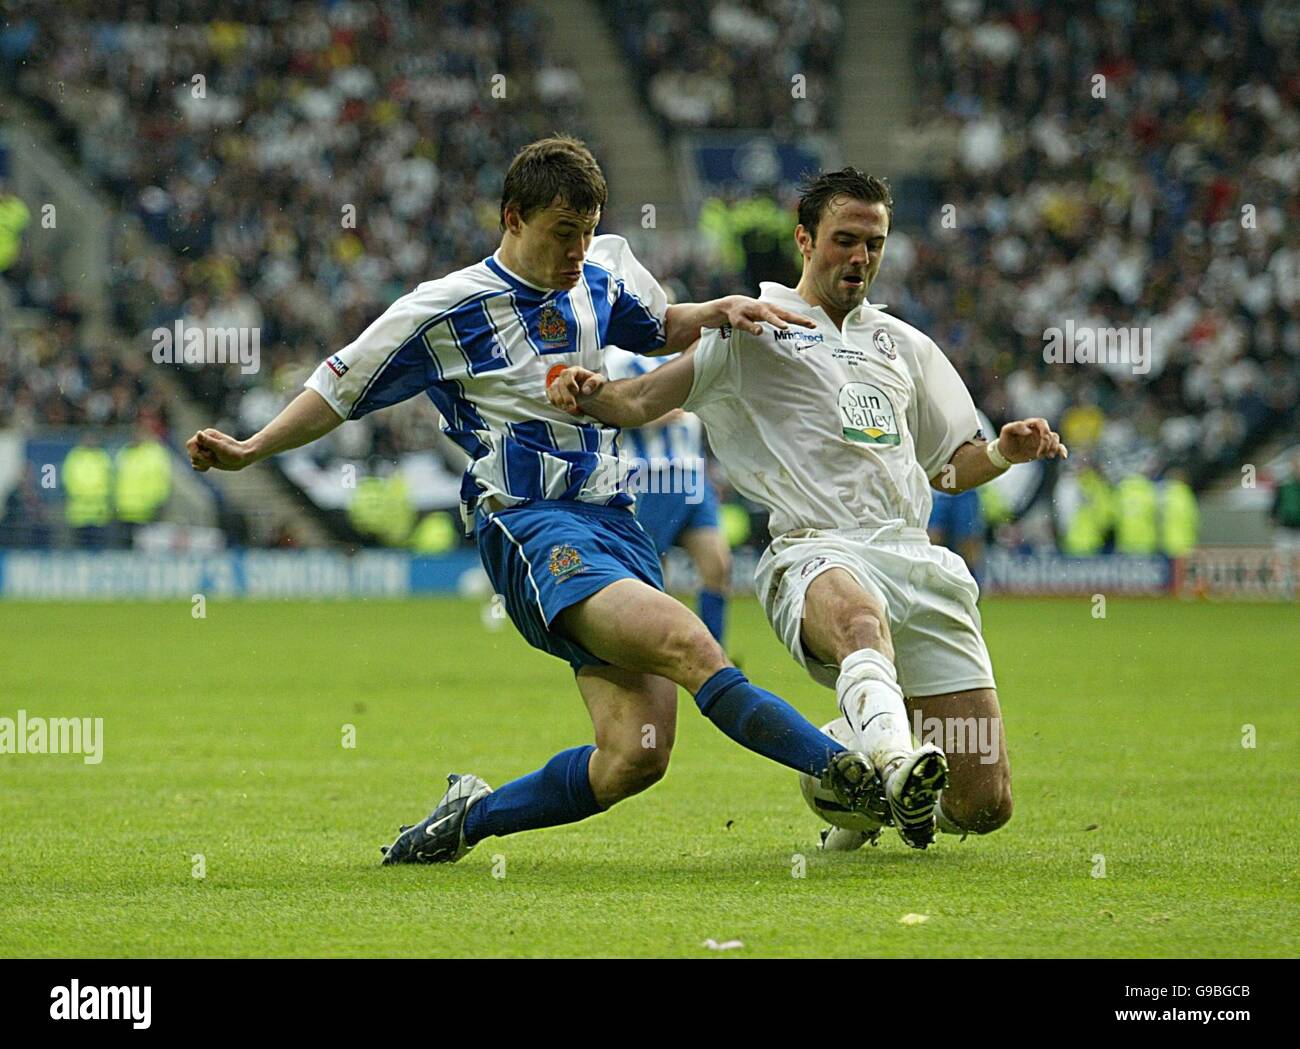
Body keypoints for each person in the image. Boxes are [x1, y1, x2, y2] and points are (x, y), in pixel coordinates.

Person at [185, 137, 883, 865]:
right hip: (529, 524)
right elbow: (336, 387)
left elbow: (657, 326)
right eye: (561, 233)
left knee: (634, 756)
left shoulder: (603, 270)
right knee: (690, 643)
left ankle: (468, 818)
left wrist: (719, 310)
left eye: (587, 231)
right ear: (512, 218)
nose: (578, 249)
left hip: (617, 522)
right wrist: (251, 448)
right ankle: (846, 771)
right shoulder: (445, 310)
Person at [548, 168, 1067, 849]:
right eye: (844, 240)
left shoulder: (904, 345)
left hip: (916, 557)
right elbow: (642, 401)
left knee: (983, 805)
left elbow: (949, 467)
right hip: (817, 549)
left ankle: (850, 778)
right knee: (857, 620)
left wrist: (1001, 451)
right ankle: (890, 760)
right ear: (804, 239)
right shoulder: (752, 326)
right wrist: (587, 391)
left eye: (874, 243)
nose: (860, 257)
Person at [604, 347, 730, 644]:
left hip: (693, 474)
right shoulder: (618, 358)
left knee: (718, 566)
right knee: (651, 571)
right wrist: (645, 416)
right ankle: (651, 650)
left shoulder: (685, 352)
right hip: (651, 475)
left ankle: (714, 655)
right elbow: (600, 412)